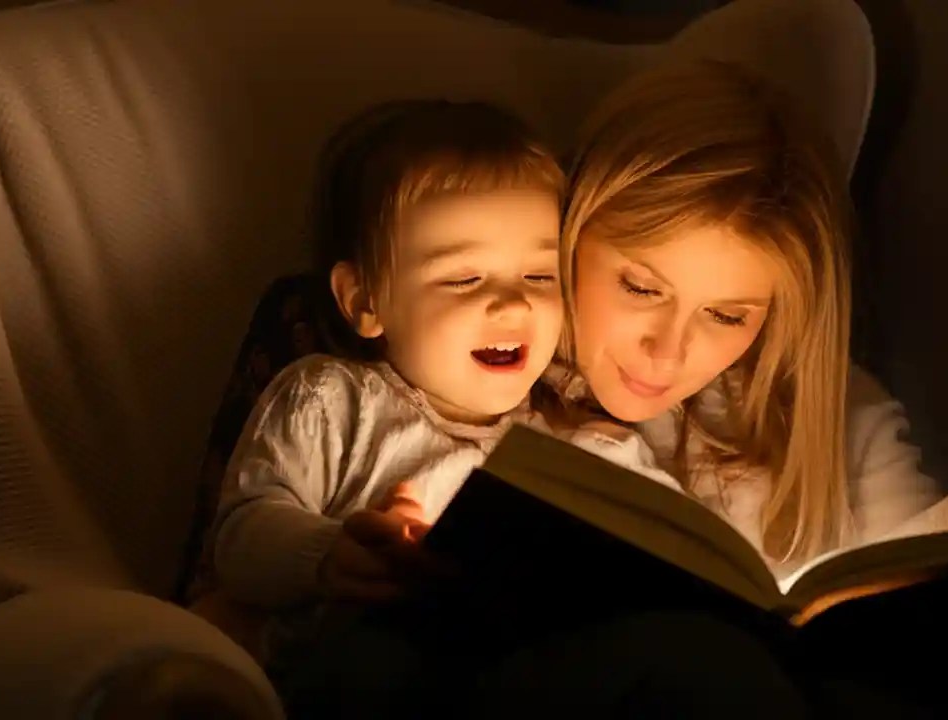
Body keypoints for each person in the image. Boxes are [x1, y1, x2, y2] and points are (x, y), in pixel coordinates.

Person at [531, 60, 948, 716]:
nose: (668, 349)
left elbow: (909, 606)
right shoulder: (482, 373)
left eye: (727, 315)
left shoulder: (833, 414)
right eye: (640, 287)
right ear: (570, 229)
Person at [207, 99, 680, 716]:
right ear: (365, 301)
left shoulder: (589, 449)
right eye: (463, 279)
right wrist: (327, 554)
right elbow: (240, 537)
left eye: (540, 278)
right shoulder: (332, 401)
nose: (512, 307)